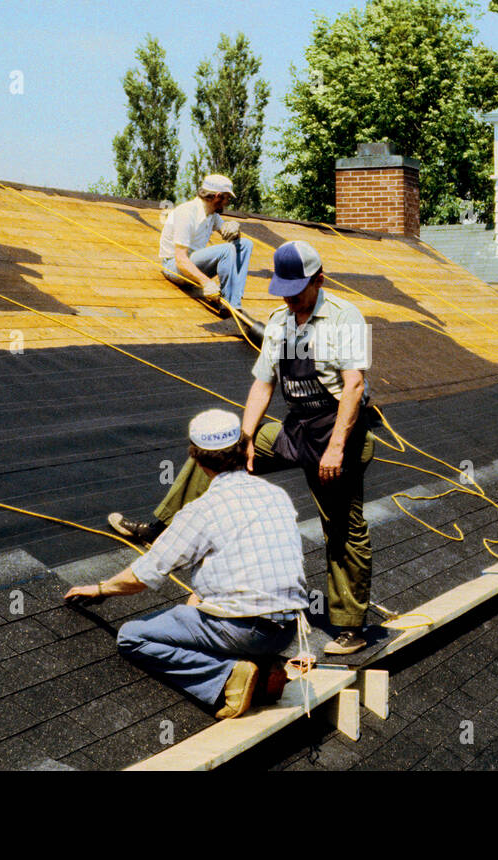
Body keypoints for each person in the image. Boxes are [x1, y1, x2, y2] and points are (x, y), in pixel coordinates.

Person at [109, 241, 376, 655]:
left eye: (296, 289)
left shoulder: (344, 318)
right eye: (283, 288)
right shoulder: (279, 322)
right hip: (296, 429)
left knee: (342, 529)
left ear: (319, 279)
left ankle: (350, 627)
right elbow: (263, 382)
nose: (288, 296)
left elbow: (354, 387)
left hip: (336, 431)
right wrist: (246, 438)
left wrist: (337, 448)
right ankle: (160, 526)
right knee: (217, 448)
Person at [64, 409, 306, 719]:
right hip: (285, 630)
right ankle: (261, 669)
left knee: (132, 636)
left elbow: (146, 573)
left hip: (241, 630)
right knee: (197, 610)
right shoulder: (277, 496)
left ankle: (229, 677)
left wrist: (101, 589)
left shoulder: (202, 510)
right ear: (246, 449)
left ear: (197, 460)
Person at [158, 174, 259, 328]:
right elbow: (180, 259)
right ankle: (228, 304)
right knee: (226, 250)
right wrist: (206, 283)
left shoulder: (211, 214)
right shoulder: (187, 213)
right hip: (174, 267)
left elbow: (229, 235)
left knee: (244, 244)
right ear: (217, 196)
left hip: (192, 265)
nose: (227, 203)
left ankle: (233, 305)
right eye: (226, 199)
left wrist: (233, 230)